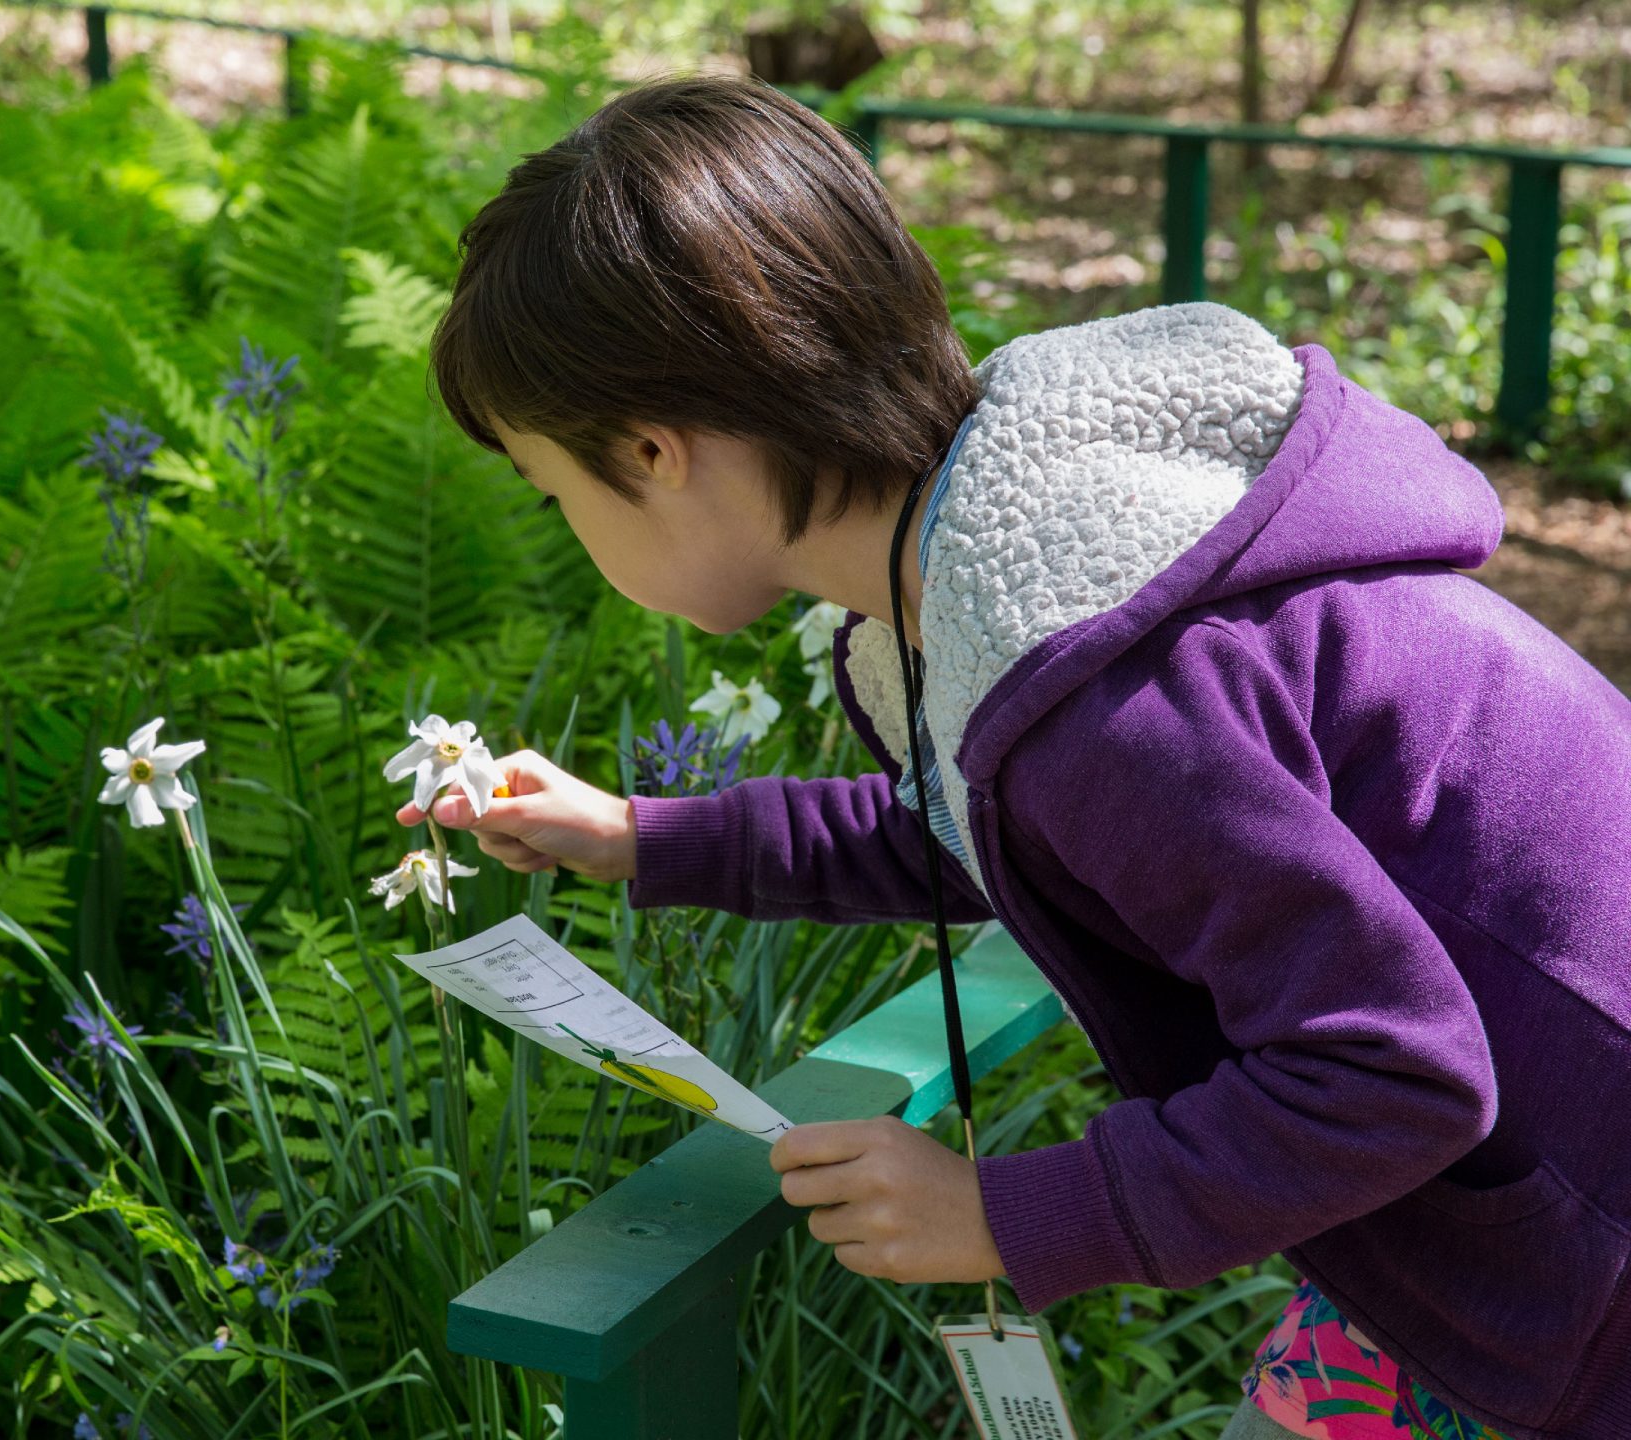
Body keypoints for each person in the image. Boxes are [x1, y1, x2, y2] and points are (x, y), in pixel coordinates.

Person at [400, 71, 1631, 1440]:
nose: (574, 526)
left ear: (655, 451)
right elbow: (983, 826)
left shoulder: (1108, 690)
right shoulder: (1018, 562)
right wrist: (644, 835)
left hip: (1581, 1252)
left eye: (557, 492)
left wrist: (1010, 1212)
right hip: (1521, 1210)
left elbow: (1391, 1071)